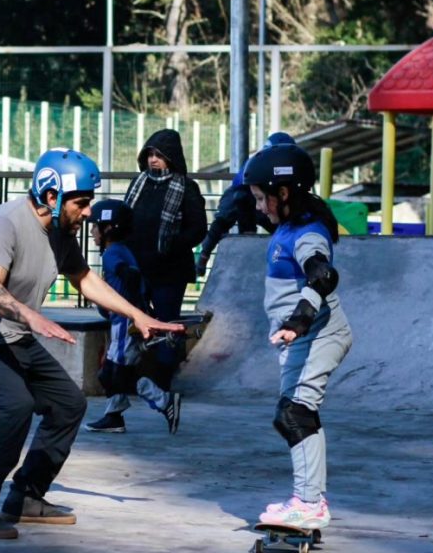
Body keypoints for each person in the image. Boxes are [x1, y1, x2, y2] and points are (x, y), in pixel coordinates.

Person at [0, 148, 184, 540]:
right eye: (82, 203)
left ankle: (25, 497)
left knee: (69, 404)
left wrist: (137, 314)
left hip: (12, 332)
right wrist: (33, 316)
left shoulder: (61, 234)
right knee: (14, 406)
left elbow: (86, 280)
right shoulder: (5, 224)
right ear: (51, 196)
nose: (88, 212)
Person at [242, 142, 352, 530]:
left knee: (296, 412)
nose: (258, 208)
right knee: (290, 415)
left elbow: (321, 275)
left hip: (318, 334)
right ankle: (307, 497)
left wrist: (300, 320)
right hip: (300, 339)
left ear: (284, 193)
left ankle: (310, 503)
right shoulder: (288, 224)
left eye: (261, 198)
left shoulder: (308, 233)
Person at [83, 199, 181, 435]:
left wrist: (127, 299)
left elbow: (131, 276)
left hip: (124, 323)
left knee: (115, 374)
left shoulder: (111, 253)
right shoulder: (124, 250)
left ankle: (163, 400)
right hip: (127, 320)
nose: (93, 231)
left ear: (109, 228)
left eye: (96, 226)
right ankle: (113, 417)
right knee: (113, 372)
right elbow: (139, 280)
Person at [124, 128, 207, 393]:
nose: (153, 160)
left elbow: (198, 229)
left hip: (169, 272)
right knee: (132, 324)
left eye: (159, 155)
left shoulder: (186, 188)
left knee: (168, 325)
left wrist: (171, 246)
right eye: (150, 154)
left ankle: (164, 382)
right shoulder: (140, 183)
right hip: (137, 268)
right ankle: (127, 378)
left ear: (171, 157)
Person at [195, 132, 296, 278]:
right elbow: (242, 195)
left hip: (260, 202)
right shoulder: (258, 162)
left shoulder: (267, 159)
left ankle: (285, 251)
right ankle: (204, 255)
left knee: (278, 222)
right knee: (226, 216)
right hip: (241, 196)